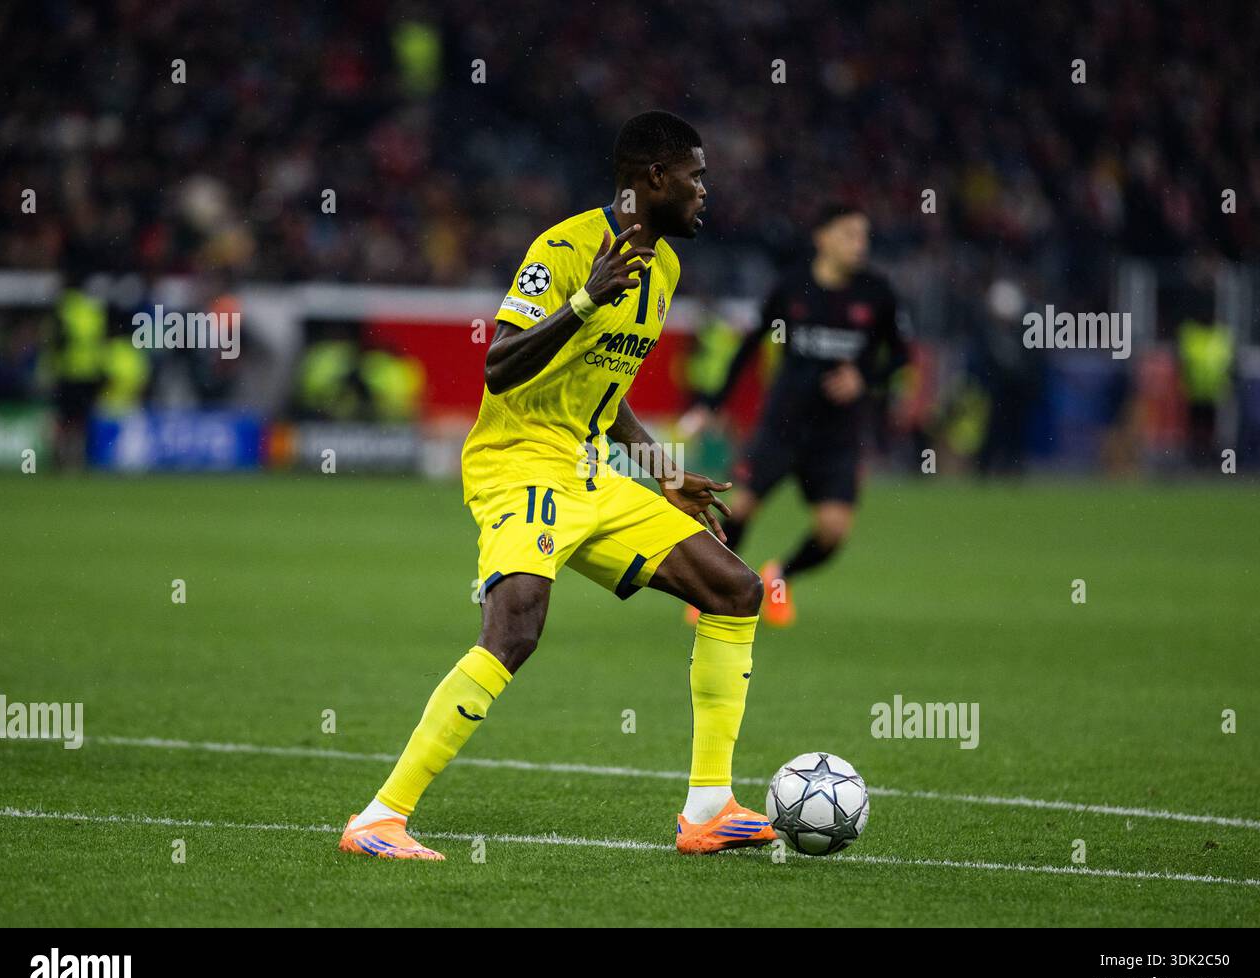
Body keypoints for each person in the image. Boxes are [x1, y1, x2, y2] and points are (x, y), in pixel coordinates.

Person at [339, 111, 775, 860]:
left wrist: (665, 474)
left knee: (735, 589)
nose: (706, 191)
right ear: (655, 179)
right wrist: (585, 301)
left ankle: (709, 808)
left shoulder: (665, 269)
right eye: (696, 177)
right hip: (519, 460)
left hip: (589, 468)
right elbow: (499, 366)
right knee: (515, 630)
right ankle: (379, 819)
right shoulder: (566, 249)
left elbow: (607, 392)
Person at [679, 204, 908, 626]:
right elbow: (751, 344)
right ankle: (715, 588)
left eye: (864, 236)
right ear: (823, 237)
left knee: (833, 530)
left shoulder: (877, 294)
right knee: (739, 508)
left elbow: (899, 355)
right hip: (782, 426)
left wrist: (864, 377)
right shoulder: (792, 287)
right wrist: (714, 403)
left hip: (837, 434)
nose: (860, 244)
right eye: (849, 234)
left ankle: (780, 577)